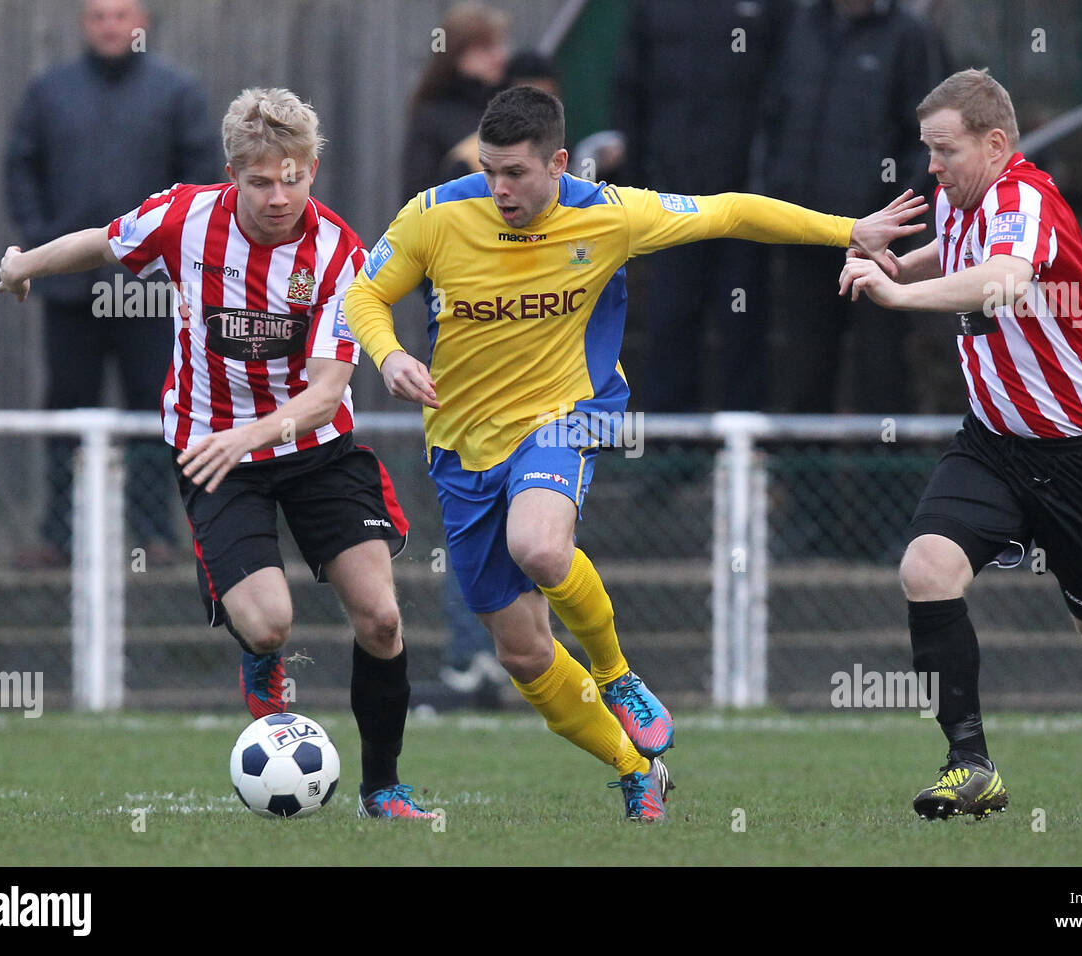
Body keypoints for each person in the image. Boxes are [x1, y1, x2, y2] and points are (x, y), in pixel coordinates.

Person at [343, 86, 926, 820]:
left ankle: (617, 675)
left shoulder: (610, 214)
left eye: (516, 173)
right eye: (490, 170)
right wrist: (389, 354)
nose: (499, 189)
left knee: (541, 549)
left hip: (566, 416)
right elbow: (364, 296)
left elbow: (731, 210)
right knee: (523, 655)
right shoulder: (435, 215)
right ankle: (632, 766)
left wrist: (850, 230)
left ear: (558, 162)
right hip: (461, 446)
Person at [0, 88, 437, 822]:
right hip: (214, 455)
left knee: (382, 619)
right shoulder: (185, 216)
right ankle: (260, 656)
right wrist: (23, 266)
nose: (278, 196)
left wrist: (250, 434)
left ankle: (383, 789)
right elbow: (104, 241)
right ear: (232, 173)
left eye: (293, 178)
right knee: (270, 623)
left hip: (316, 451)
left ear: (314, 168)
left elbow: (328, 395)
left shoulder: (339, 252)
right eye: (261, 181)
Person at [839, 68, 1082, 819]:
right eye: (928, 150)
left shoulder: (1023, 196)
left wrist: (901, 296)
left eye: (944, 150)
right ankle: (969, 763)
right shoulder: (962, 196)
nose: (931, 165)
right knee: (926, 567)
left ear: (995, 144)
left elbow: (1001, 278)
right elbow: (963, 249)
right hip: (995, 443)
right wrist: (898, 263)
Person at [5, 0, 223, 568]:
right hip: (70, 293)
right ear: (86, 24)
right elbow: (20, 167)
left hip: (149, 290)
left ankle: (154, 536)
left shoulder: (176, 92)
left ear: (141, 23)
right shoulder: (49, 91)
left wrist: (172, 252)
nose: (110, 26)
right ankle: (60, 534)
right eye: (99, 16)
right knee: (66, 409)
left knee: (157, 407)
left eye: (121, 15)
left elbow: (202, 179)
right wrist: (41, 237)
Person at [761, 0, 945, 412]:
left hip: (878, 243)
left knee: (882, 364)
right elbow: (772, 115)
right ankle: (804, 472)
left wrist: (895, 219)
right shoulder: (799, 26)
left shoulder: (910, 36)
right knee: (803, 362)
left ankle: (885, 471)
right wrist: (773, 190)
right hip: (805, 232)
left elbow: (929, 136)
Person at [613, 0, 792, 412]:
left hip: (747, 203)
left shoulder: (772, 11)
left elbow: (787, 90)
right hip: (672, 201)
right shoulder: (652, 11)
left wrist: (772, 179)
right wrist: (635, 189)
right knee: (671, 321)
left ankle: (740, 455)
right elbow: (629, 92)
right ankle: (670, 457)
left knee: (743, 324)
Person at [401, 1, 510, 202]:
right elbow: (416, 201)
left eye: (499, 45)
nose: (500, 56)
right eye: (486, 48)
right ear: (456, 54)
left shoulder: (514, 107)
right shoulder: (432, 118)